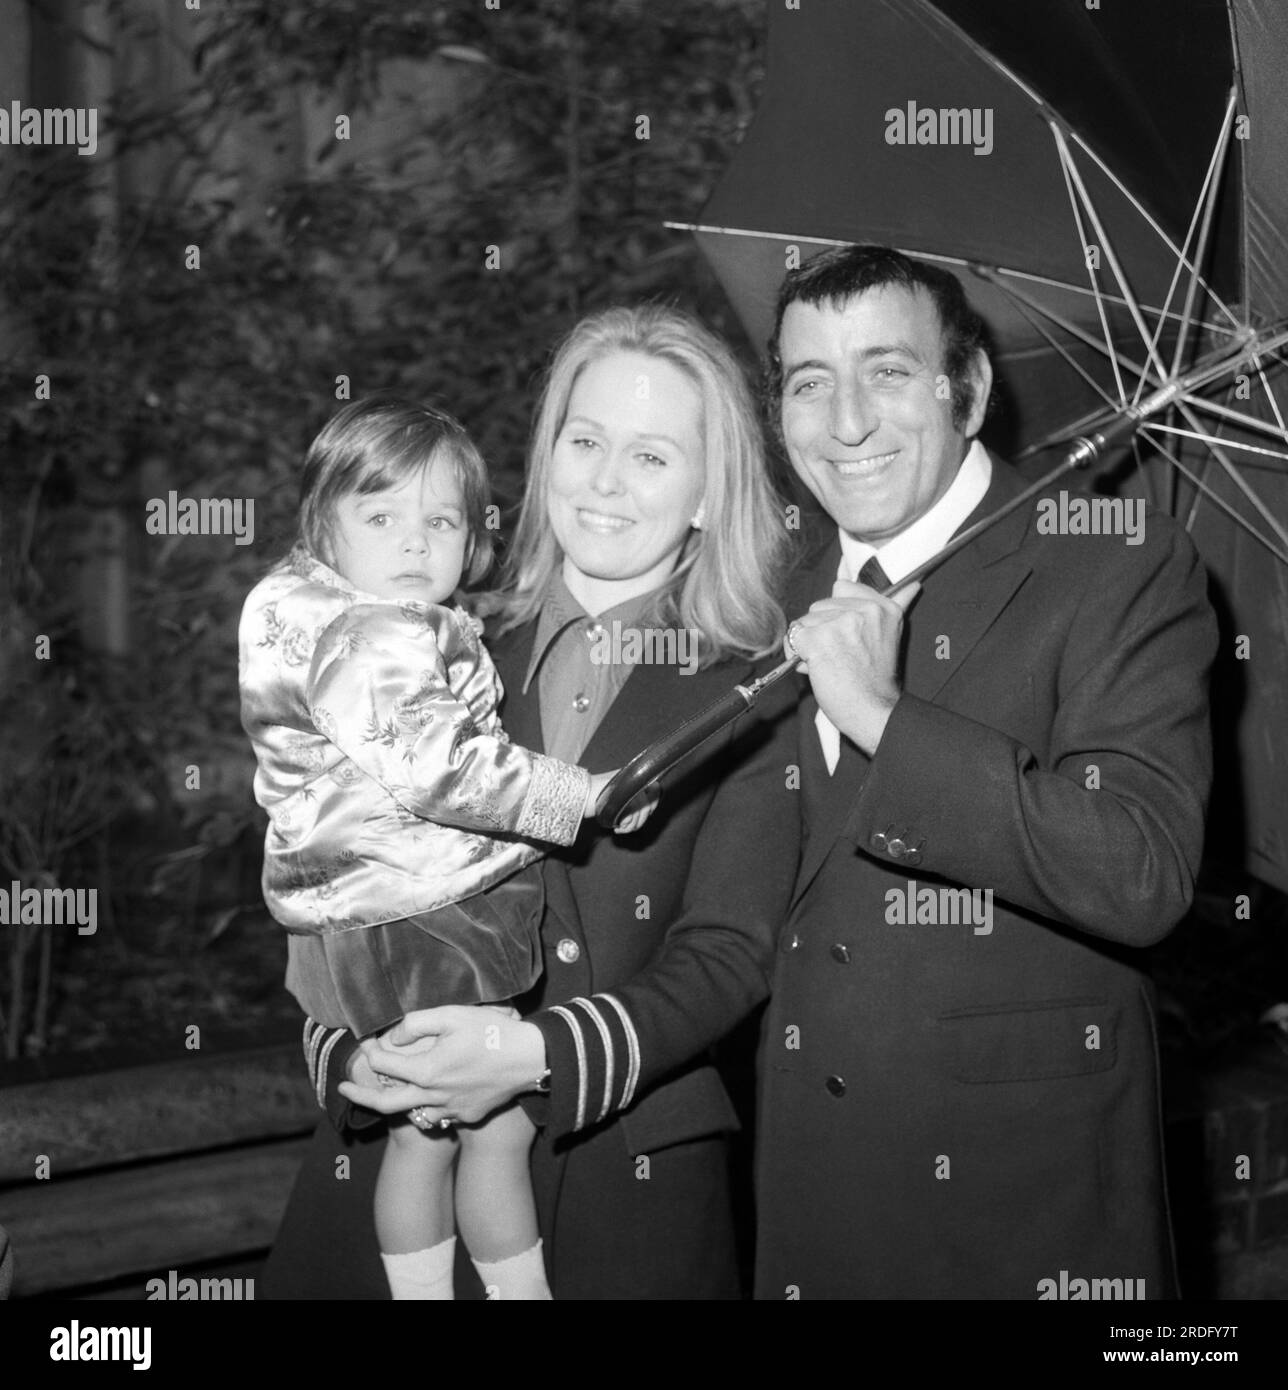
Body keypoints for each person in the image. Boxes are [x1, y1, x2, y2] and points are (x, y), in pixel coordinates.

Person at [260, 304, 799, 1300]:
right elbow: (316, 847)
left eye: (651, 456)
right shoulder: (422, 640)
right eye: (584, 438)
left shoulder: (750, 694)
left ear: (708, 494)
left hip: (619, 1177)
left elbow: (731, 953)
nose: (603, 480)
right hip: (390, 1166)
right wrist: (352, 1052)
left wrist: (529, 1051)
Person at [753, 244, 1218, 1299]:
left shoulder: (1115, 560)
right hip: (808, 1209)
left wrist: (882, 715)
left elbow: (1139, 871)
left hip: (1023, 1216)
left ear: (966, 388)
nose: (847, 422)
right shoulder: (762, 589)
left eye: (886, 370)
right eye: (808, 381)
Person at [239, 397, 646, 1300]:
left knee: (419, 1134)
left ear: (472, 538)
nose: (415, 544)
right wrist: (577, 796)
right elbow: (439, 766)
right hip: (431, 915)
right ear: (324, 526)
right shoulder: (375, 633)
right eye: (381, 517)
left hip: (355, 919)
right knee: (491, 1129)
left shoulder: (310, 613)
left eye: (441, 521)